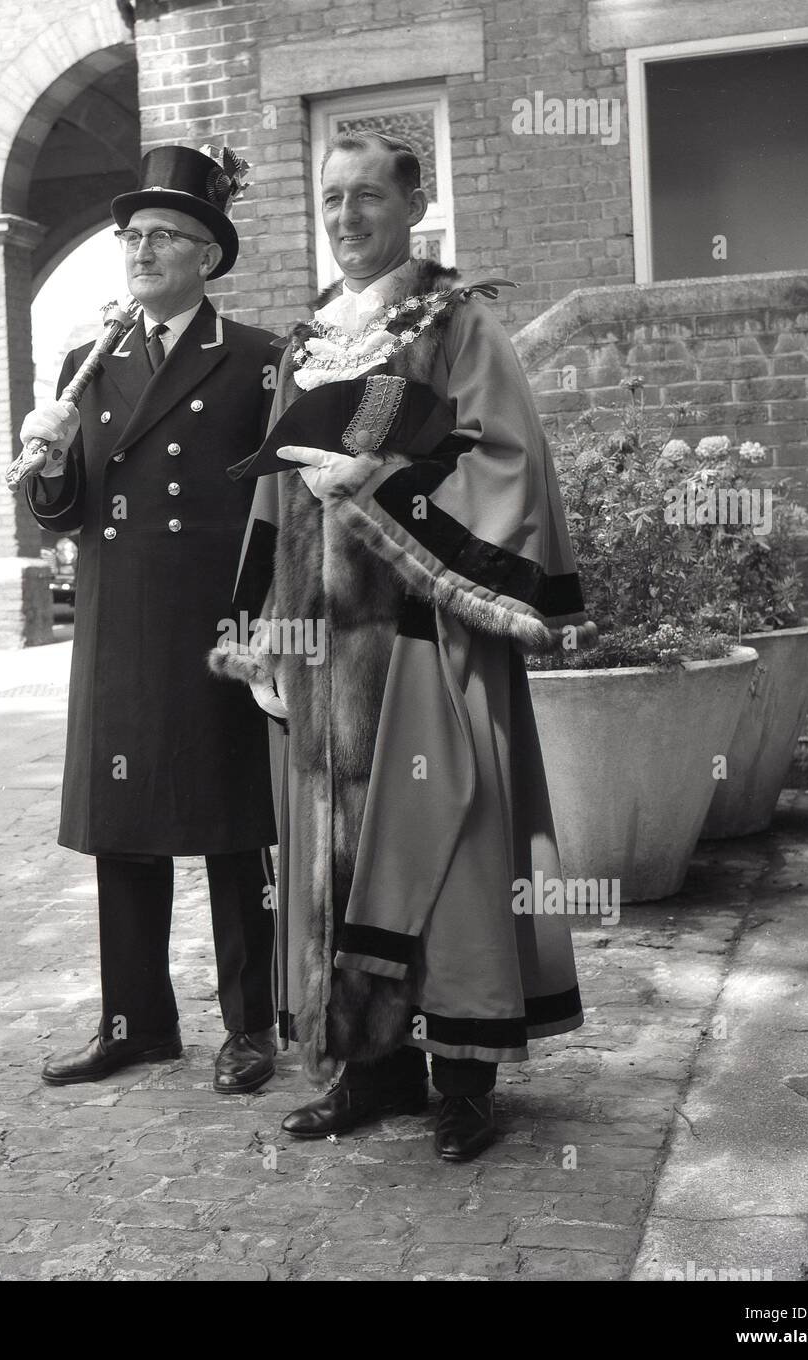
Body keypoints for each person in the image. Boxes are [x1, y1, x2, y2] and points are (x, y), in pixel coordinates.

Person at [212, 131, 598, 1161]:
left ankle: (463, 1080)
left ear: (414, 202)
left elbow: (505, 463)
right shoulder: (306, 343)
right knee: (335, 862)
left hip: (430, 636)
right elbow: (268, 500)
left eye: (367, 196)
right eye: (331, 198)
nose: (346, 216)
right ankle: (369, 1069)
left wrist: (377, 489)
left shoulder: (456, 321)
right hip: (322, 648)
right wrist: (262, 629)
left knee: (449, 848)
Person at [21, 144, 280, 1095]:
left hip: (215, 624)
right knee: (123, 827)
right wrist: (52, 463)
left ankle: (252, 1024)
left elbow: (280, 508)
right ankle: (136, 1022)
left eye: (163, 235)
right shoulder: (85, 364)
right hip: (120, 620)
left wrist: (271, 623)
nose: (138, 249)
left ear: (207, 255)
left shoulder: (258, 359)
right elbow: (67, 511)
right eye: (132, 235)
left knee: (230, 825)